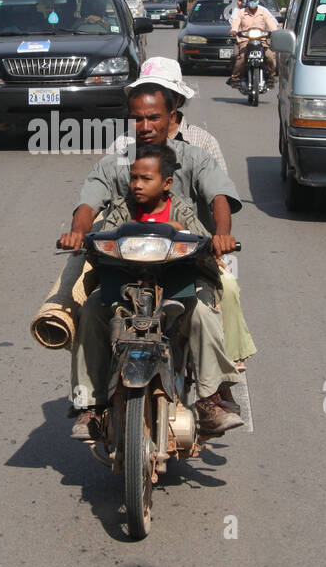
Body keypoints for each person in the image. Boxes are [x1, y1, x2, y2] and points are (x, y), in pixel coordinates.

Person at [60, 83, 245, 439]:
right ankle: (89, 404)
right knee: (94, 310)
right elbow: (88, 202)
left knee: (206, 311)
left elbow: (218, 194)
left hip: (182, 268)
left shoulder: (194, 158)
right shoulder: (118, 163)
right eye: (137, 119)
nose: (145, 125)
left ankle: (212, 396)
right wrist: (76, 232)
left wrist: (221, 235)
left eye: (153, 117)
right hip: (125, 271)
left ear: (171, 116)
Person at [228, 0, 279, 88]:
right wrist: (234, 30)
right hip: (245, 41)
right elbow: (236, 22)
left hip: (261, 41)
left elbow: (271, 23)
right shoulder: (241, 12)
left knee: (270, 56)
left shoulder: (263, 12)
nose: (252, 1)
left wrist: (274, 31)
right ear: (247, 1)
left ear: (258, 1)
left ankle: (270, 77)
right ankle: (235, 77)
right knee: (242, 58)